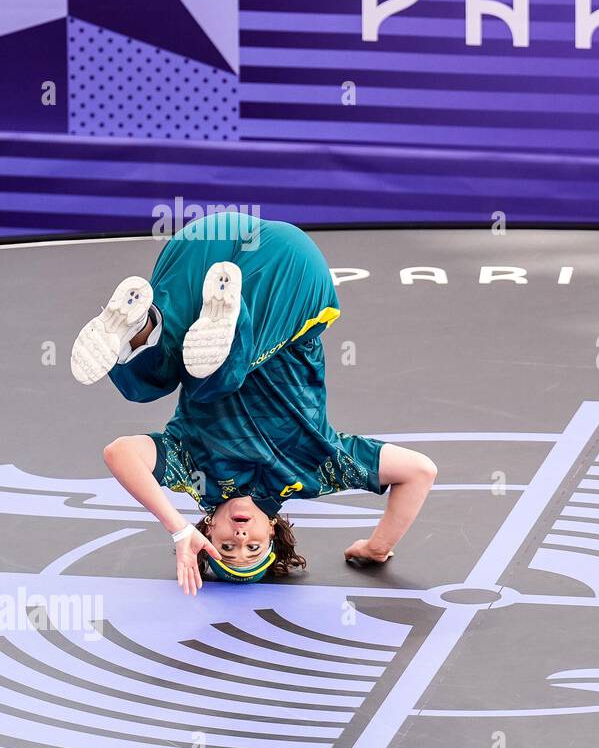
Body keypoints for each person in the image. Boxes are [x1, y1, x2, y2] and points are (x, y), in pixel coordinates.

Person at [71, 212, 436, 594]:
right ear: (274, 531)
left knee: (142, 388)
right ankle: (226, 324)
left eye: (227, 546)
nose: (240, 535)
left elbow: (120, 453)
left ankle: (138, 329)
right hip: (288, 276)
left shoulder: (194, 474)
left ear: (208, 527)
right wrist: (378, 548)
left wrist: (177, 528)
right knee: (213, 380)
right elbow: (419, 472)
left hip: (204, 242)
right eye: (254, 546)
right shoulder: (316, 472)